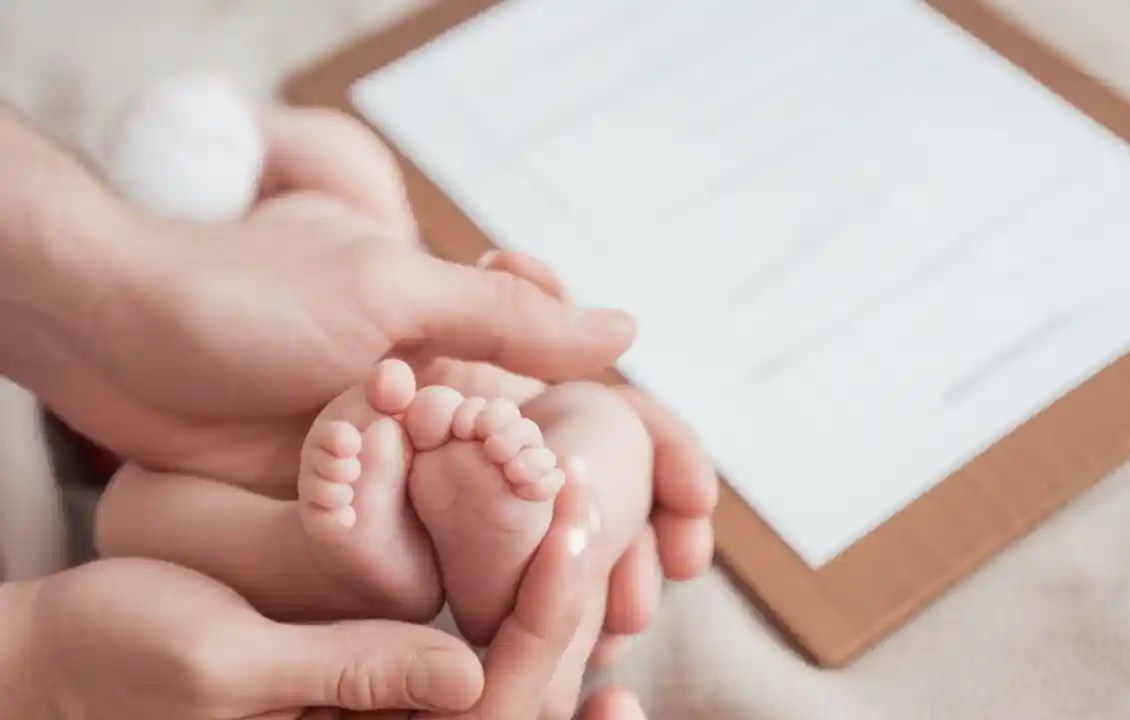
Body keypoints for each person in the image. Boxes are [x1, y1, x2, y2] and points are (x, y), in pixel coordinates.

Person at [0, 104, 718, 717]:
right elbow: (285, 145)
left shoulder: (366, 243)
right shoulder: (204, 253)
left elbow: (310, 148)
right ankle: (338, 556)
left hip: (428, 409)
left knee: (606, 421)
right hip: (278, 465)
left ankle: (557, 530)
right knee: (132, 511)